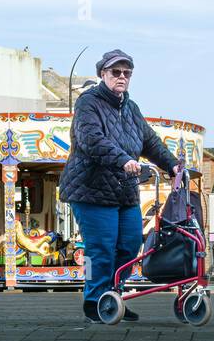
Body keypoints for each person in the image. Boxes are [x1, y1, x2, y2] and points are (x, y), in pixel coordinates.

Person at [59, 49, 181, 322]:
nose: (122, 77)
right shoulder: (88, 103)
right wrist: (123, 159)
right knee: (99, 249)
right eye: (116, 72)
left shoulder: (131, 107)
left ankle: (113, 297)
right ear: (103, 74)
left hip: (124, 190)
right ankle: (94, 300)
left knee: (129, 245)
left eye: (127, 73)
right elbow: (91, 139)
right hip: (90, 188)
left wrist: (173, 165)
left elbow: (150, 142)